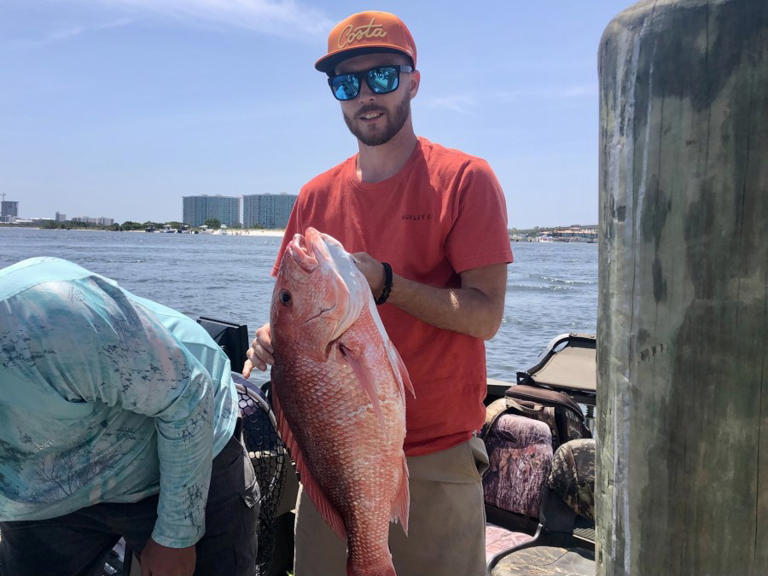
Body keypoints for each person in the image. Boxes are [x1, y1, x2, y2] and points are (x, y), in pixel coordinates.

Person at [242, 10, 513, 576]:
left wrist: (388, 284)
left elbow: (486, 316)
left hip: (436, 459)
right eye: (346, 83)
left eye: (382, 77)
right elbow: (295, 310)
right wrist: (272, 338)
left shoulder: (466, 179)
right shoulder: (315, 196)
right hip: (333, 470)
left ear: (413, 81)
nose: (365, 95)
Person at [0, 256, 259, 576]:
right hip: (45, 489)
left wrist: (176, 538)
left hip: (184, 442)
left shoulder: (48, 315)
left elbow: (188, 398)